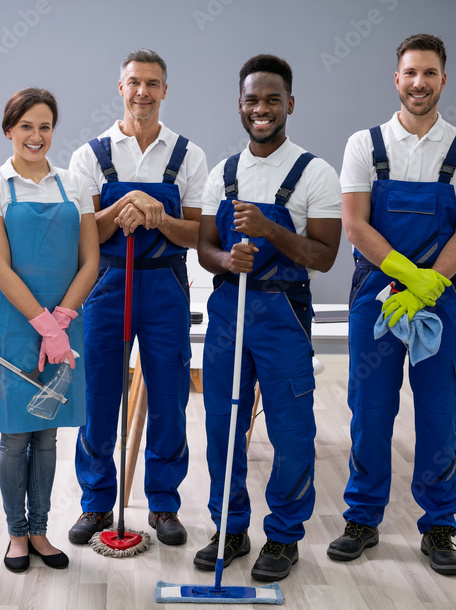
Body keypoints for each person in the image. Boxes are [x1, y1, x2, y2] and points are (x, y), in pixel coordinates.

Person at [328, 34, 456, 575]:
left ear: (443, 80)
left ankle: (440, 526)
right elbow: (354, 224)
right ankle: (362, 518)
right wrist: (402, 278)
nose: (418, 83)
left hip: (441, 300)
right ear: (395, 79)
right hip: (376, 299)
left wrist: (427, 286)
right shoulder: (363, 145)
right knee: (369, 411)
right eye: (409, 73)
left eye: (429, 73)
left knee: (440, 416)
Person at [195, 54, 342, 582]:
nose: (262, 109)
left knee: (291, 429)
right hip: (228, 312)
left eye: (272, 100)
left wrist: (269, 229)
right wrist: (224, 260)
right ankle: (230, 529)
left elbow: (324, 256)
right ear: (240, 105)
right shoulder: (223, 173)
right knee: (222, 426)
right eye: (252, 100)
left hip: (284, 313)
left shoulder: (315, 173)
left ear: (290, 105)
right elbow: (205, 247)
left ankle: (282, 536)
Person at [67, 48, 208, 547]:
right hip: (107, 284)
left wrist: (157, 215)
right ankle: (96, 502)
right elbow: (84, 236)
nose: (142, 92)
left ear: (164, 91)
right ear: (120, 88)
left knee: (169, 392)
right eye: (134, 83)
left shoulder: (188, 155)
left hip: (165, 284)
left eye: (152, 83)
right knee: (100, 391)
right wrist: (125, 204)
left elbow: (196, 235)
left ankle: (164, 504)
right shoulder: (90, 155)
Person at [0, 88, 99, 573]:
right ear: (9, 130)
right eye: (26, 126)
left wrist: (63, 320)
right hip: (14, 326)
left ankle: (41, 530)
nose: (36, 136)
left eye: (45, 126)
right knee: (14, 436)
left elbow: (90, 260)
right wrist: (44, 325)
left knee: (47, 434)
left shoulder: (74, 185)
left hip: (65, 326)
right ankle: (16, 533)